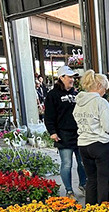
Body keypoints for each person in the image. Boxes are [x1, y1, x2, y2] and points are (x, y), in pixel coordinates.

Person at [73, 70, 109, 205]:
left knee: (91, 180)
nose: (105, 91)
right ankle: (102, 211)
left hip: (83, 144)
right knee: (103, 180)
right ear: (99, 86)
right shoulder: (100, 102)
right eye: (105, 88)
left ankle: (90, 210)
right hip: (101, 145)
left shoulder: (79, 102)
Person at [44, 65, 87, 198]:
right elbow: (49, 115)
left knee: (83, 162)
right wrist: (52, 132)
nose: (72, 80)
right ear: (61, 78)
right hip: (63, 134)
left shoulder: (76, 94)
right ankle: (69, 190)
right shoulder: (53, 95)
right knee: (67, 163)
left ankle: (83, 184)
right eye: (69, 77)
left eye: (73, 77)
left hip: (79, 134)